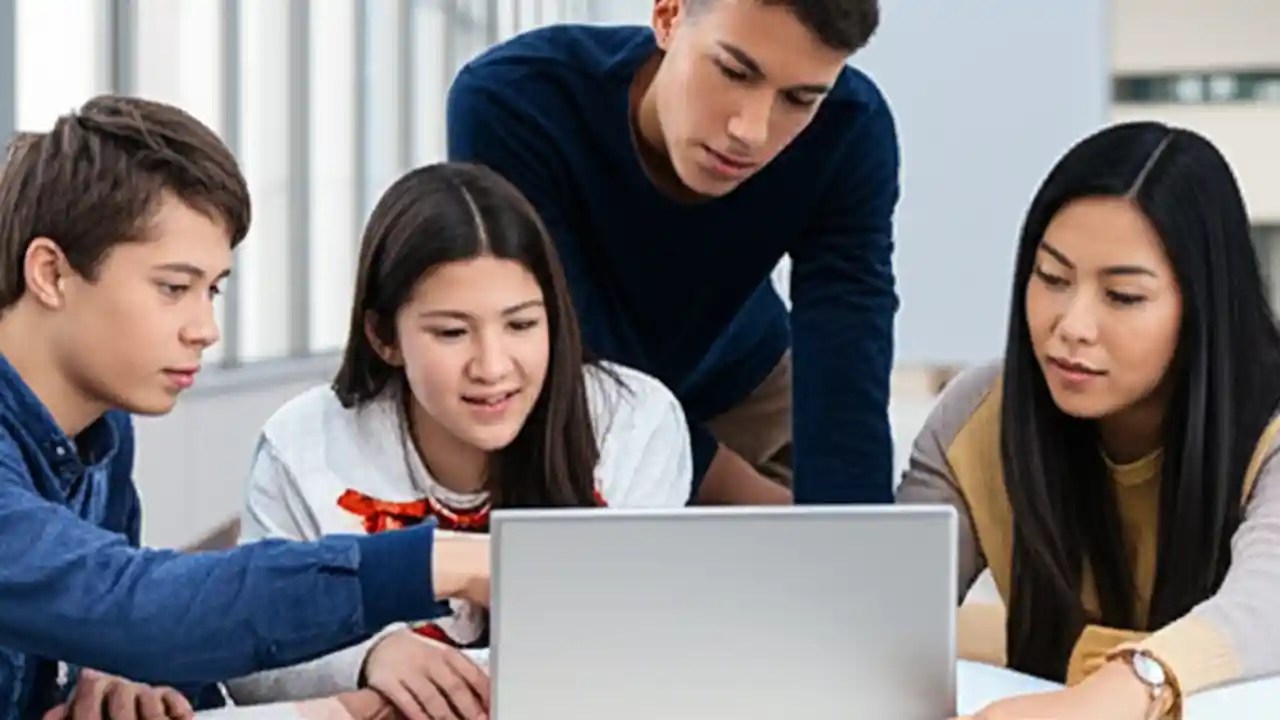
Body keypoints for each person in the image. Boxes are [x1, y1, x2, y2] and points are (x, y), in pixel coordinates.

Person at [0, 95, 490, 720]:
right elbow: (136, 607)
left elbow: (113, 621)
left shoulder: (101, 431)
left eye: (213, 290)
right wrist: (441, 561)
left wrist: (115, 676)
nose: (205, 329)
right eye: (173, 288)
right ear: (50, 273)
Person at [222, 162, 692, 718]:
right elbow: (250, 657)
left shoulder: (632, 421)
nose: (493, 367)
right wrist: (370, 657)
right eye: (451, 332)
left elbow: (634, 638)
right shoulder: (304, 444)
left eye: (521, 325)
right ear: (383, 336)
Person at [446, 0, 899, 506]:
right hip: (570, 404)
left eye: (798, 99)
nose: (751, 130)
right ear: (668, 17)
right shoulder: (517, 101)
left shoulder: (848, 127)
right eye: (733, 71)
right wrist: (752, 504)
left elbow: (849, 336)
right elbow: (565, 356)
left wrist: (850, 539)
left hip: (749, 395)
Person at [898, 121, 1280, 719]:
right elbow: (890, 614)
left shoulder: (1270, 425)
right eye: (1051, 278)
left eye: (1123, 296)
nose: (1072, 325)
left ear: (1203, 306)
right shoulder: (979, 415)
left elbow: (1267, 603)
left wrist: (1133, 685)